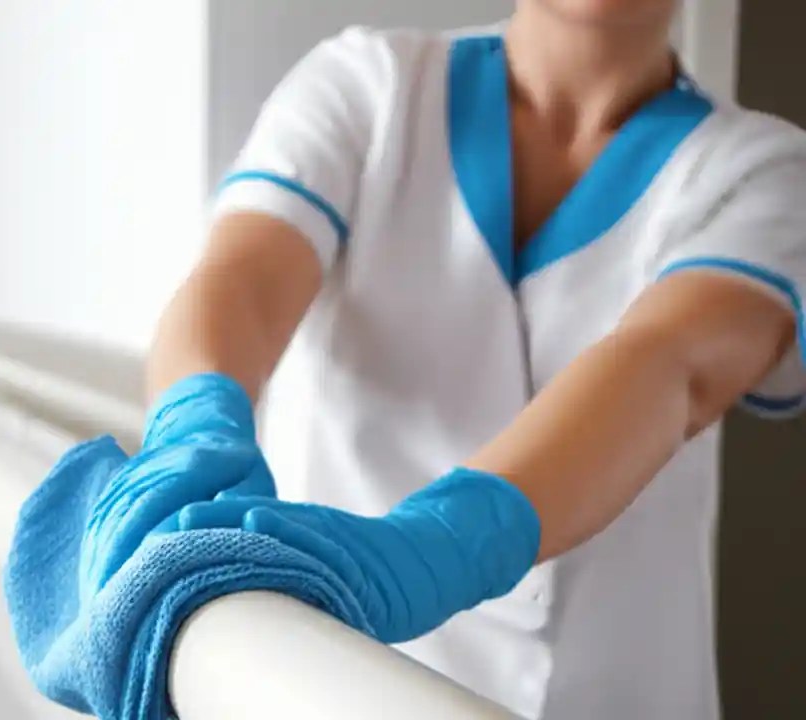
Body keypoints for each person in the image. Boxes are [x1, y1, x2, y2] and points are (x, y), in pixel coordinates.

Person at [129, 1, 806, 718]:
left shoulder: (764, 171)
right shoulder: (369, 83)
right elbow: (245, 278)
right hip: (330, 684)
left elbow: (672, 364)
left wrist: (438, 545)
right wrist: (193, 426)